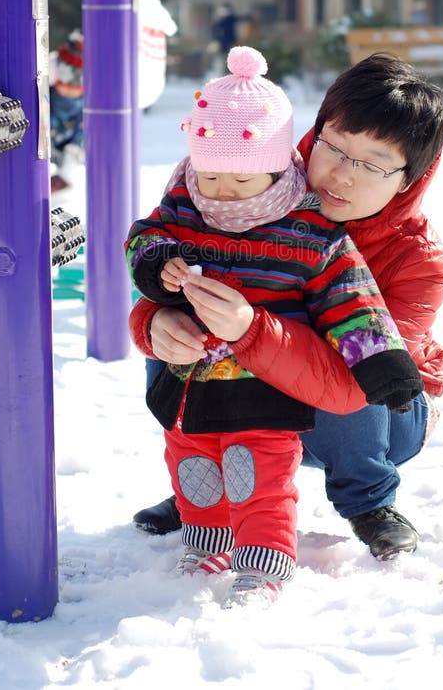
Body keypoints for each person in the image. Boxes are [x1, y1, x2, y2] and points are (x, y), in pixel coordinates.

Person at [125, 47, 424, 608]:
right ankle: (206, 528)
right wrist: (156, 299)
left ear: (407, 175)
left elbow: (353, 309)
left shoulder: (320, 235)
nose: (343, 172)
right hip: (208, 379)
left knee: (257, 471)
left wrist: (384, 362)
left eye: (373, 162)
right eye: (335, 148)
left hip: (347, 406)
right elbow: (148, 235)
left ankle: (350, 508)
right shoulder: (189, 200)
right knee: (191, 453)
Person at [49, 29, 84, 193]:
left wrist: (65, 175)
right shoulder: (45, 98)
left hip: (68, 157)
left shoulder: (86, 109)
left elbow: (81, 141)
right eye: (66, 76)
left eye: (78, 79)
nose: (71, 85)